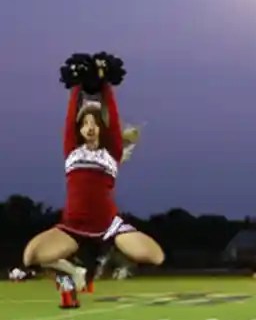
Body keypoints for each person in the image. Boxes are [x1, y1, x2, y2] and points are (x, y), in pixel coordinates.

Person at [23, 53, 164, 283]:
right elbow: (70, 119)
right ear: (80, 128)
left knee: (155, 256)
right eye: (85, 123)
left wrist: (105, 83)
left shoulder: (111, 153)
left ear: (101, 128)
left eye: (95, 123)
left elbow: (113, 121)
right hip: (73, 227)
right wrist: (77, 86)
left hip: (108, 225)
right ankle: (74, 270)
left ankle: (115, 255)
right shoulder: (72, 151)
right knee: (31, 256)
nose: (89, 127)